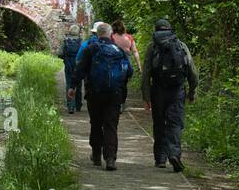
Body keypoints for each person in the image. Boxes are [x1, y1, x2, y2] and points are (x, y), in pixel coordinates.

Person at [140, 18, 199, 172]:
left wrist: (146, 97)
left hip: (158, 90)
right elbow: (192, 71)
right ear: (170, 29)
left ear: (156, 30)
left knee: (159, 124)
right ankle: (174, 154)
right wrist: (192, 92)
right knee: (175, 123)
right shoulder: (181, 45)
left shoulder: (152, 47)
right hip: (177, 90)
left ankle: (160, 158)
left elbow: (146, 73)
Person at [75, 22, 132, 171]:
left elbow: (80, 69)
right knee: (111, 125)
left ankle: (96, 155)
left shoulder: (91, 48)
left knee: (96, 123)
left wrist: (72, 86)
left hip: (94, 93)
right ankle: (111, 158)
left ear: (97, 34)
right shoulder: (119, 50)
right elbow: (129, 71)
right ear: (110, 34)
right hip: (114, 94)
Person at [110, 18, 140, 112]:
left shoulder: (111, 37)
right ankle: (122, 102)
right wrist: (139, 65)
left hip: (113, 64)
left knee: (113, 83)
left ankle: (115, 102)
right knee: (124, 84)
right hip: (126, 64)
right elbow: (135, 52)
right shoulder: (129, 37)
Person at [57, 24, 85, 113]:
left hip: (68, 66)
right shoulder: (81, 41)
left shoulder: (65, 41)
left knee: (69, 85)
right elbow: (84, 54)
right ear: (78, 32)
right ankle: (78, 105)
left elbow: (60, 53)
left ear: (70, 31)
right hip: (78, 66)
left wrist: (66, 58)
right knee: (79, 85)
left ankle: (70, 106)